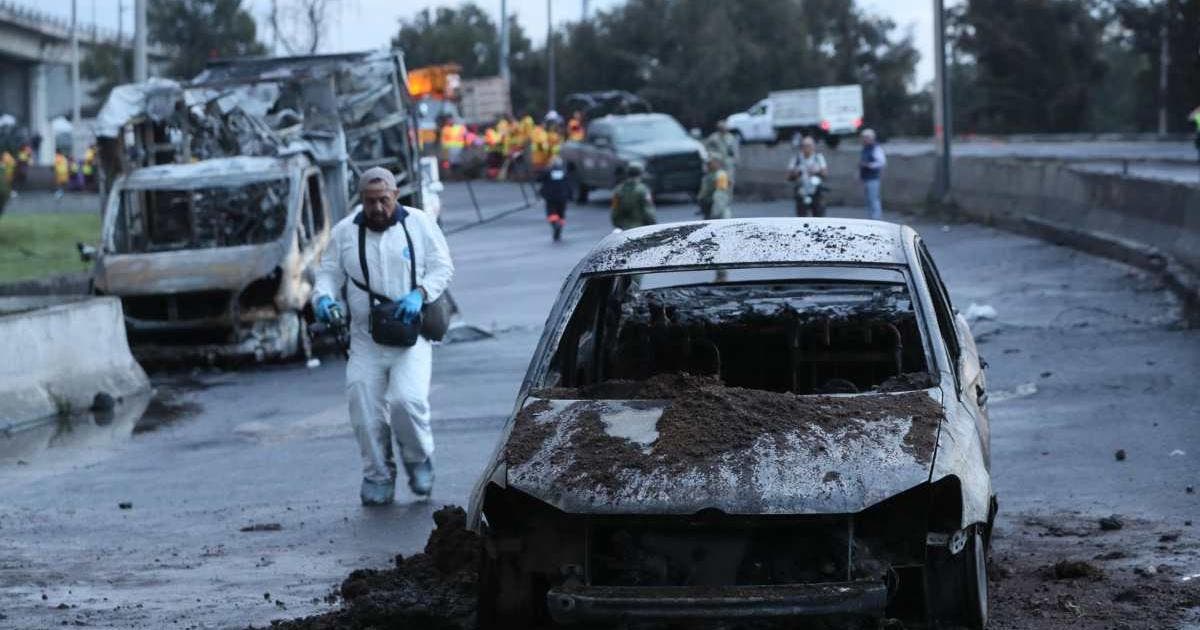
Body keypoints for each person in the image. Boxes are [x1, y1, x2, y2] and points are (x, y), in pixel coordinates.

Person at [311, 167, 454, 506]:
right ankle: (378, 474)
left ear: (395, 195)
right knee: (364, 407)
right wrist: (324, 298)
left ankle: (419, 460)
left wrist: (420, 293)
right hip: (365, 339)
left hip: (412, 335)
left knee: (407, 402)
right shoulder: (345, 232)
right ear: (361, 200)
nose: (377, 208)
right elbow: (329, 273)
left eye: (384, 200)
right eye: (370, 201)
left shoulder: (418, 224)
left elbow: (442, 266)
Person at [787, 136, 828, 217]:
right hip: (802, 190)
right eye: (805, 146)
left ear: (813, 146)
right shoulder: (797, 158)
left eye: (809, 145)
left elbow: (825, 173)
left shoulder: (818, 158)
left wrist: (817, 172)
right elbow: (789, 176)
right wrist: (796, 173)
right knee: (801, 214)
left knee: (818, 214)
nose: (807, 148)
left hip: (815, 190)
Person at [610, 161, 656, 231]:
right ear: (640, 174)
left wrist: (619, 225)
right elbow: (648, 212)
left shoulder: (618, 190)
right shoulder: (643, 190)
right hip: (640, 228)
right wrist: (653, 225)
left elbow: (614, 211)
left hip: (624, 228)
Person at [538, 156, 572, 241]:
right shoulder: (564, 172)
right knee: (561, 214)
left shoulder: (547, 171)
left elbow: (539, 179)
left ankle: (555, 224)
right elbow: (568, 184)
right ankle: (559, 228)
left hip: (550, 196)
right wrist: (570, 195)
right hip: (563, 196)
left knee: (551, 212)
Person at [858, 128, 886, 220]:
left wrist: (869, 165)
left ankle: (876, 219)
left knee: (874, 199)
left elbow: (881, 162)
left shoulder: (876, 148)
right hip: (866, 177)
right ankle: (871, 218)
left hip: (873, 177)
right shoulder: (865, 148)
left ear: (871, 138)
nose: (864, 140)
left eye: (865, 137)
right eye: (863, 138)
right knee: (869, 200)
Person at [704, 119, 740, 184]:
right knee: (722, 184)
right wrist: (713, 156)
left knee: (730, 181)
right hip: (719, 163)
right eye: (721, 128)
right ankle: (721, 191)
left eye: (725, 128)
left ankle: (728, 191)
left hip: (728, 162)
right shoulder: (713, 137)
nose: (723, 130)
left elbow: (734, 150)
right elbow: (707, 149)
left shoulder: (730, 138)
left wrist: (736, 160)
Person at [697, 156, 732, 220]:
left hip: (715, 207)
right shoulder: (709, 174)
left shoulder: (721, 174)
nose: (708, 165)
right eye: (708, 164)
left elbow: (720, 194)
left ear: (717, 163)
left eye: (710, 163)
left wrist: (715, 212)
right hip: (708, 207)